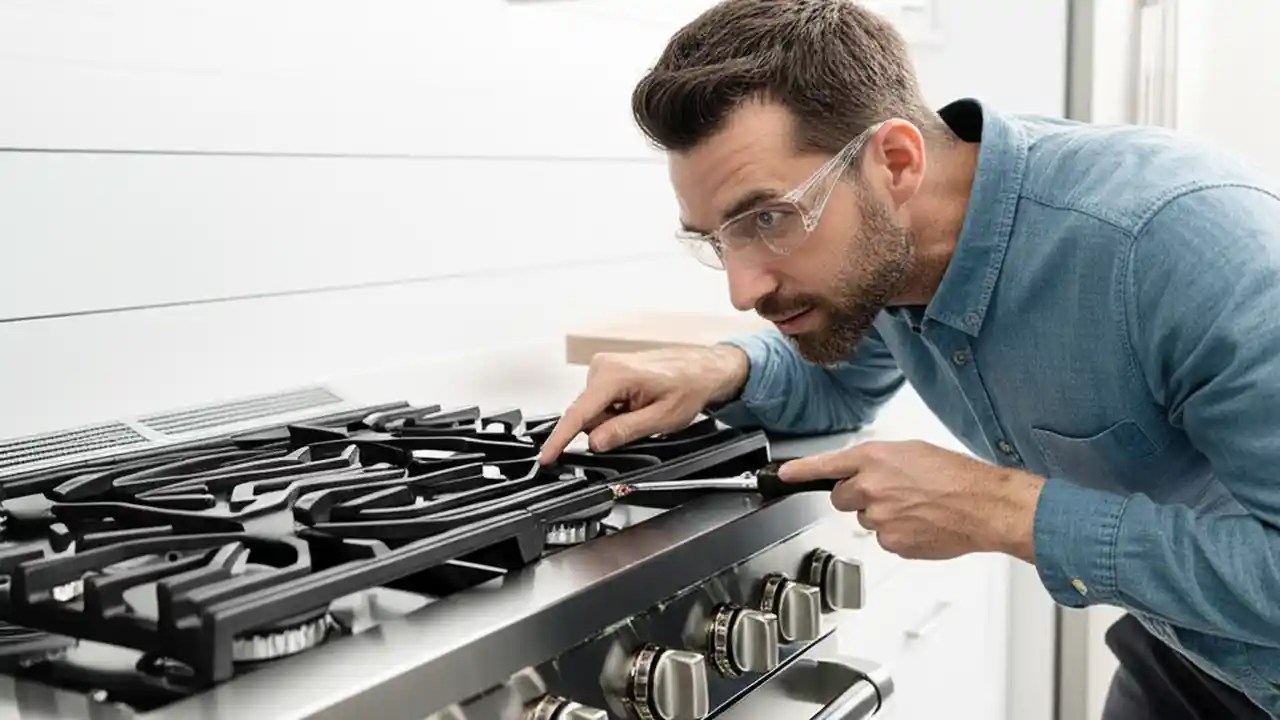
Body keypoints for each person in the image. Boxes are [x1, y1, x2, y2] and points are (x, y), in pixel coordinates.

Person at [535, 0, 1280, 717]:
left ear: (895, 161)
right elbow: (838, 385)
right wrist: (724, 369)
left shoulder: (1173, 246)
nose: (742, 287)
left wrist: (1005, 511)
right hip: (1188, 657)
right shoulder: (896, 253)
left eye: (768, 219)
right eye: (717, 238)